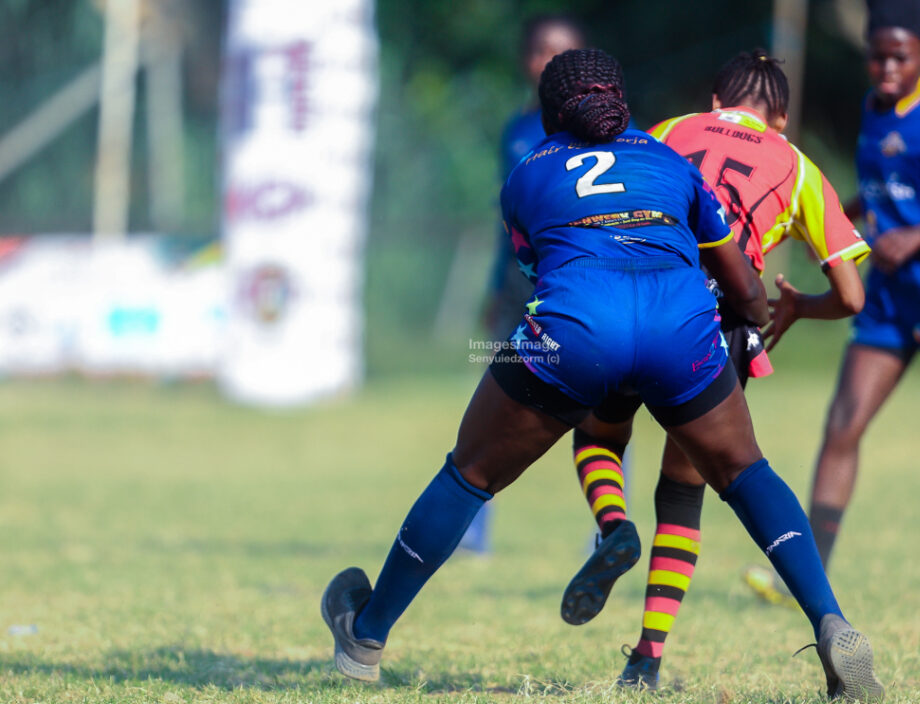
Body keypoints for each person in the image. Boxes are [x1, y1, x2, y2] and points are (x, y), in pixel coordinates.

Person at [321, 48, 883, 702]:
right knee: (745, 474)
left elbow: (537, 268)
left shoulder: (527, 172)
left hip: (578, 330)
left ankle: (366, 634)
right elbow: (745, 287)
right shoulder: (667, 160)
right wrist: (759, 316)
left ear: (548, 116)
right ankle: (829, 621)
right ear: (621, 101)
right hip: (683, 329)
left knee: (469, 474)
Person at [555, 50, 871, 689]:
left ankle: (613, 525)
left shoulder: (669, 130)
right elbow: (852, 297)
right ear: (780, 117)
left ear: (715, 101)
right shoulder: (799, 167)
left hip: (637, 297)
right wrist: (799, 307)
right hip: (716, 328)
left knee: (598, 438)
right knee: (684, 489)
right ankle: (647, 658)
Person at [745, 0, 920, 603]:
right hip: (890, 299)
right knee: (843, 425)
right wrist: (831, 217)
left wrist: (916, 237)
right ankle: (806, 577)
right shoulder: (874, 107)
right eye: (877, 56)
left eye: (900, 56)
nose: (888, 68)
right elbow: (881, 194)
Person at [462, 14, 588, 555]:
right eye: (539, 51)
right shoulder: (516, 129)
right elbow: (506, 223)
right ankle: (470, 530)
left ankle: (608, 530)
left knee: (604, 411)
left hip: (577, 291)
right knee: (492, 403)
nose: (546, 63)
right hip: (519, 289)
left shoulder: (602, 128)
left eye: (560, 53)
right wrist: (497, 287)